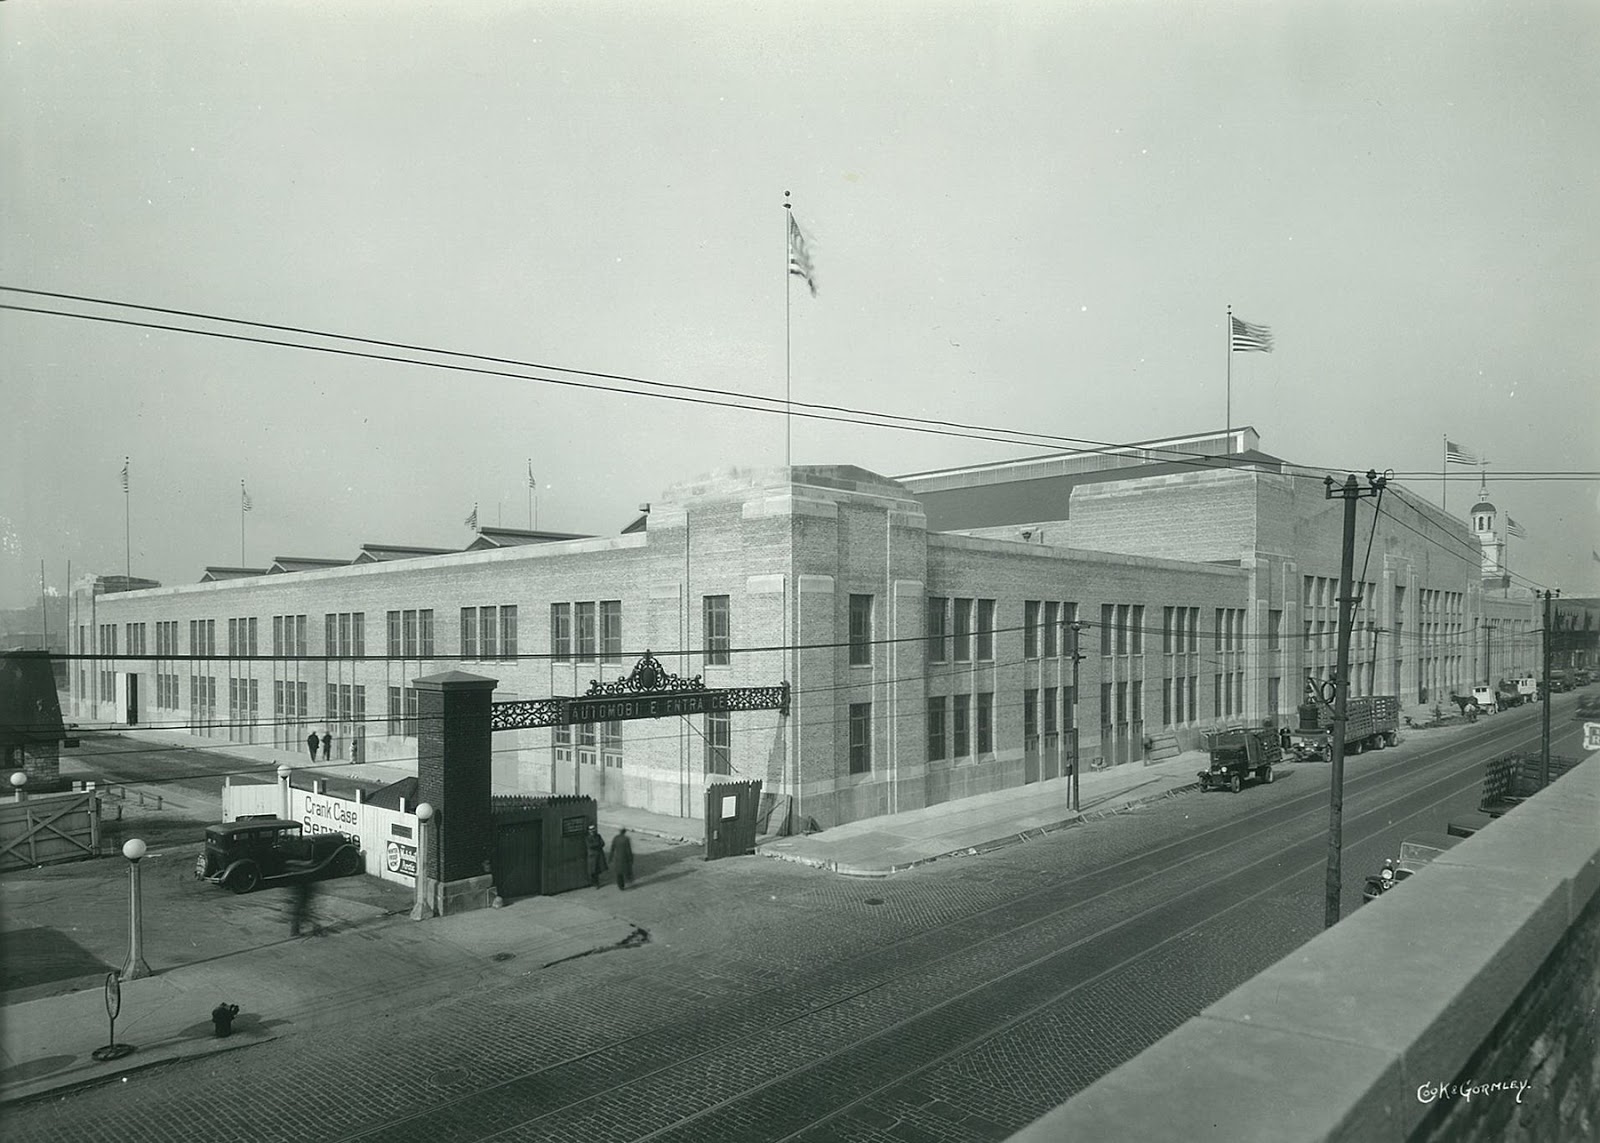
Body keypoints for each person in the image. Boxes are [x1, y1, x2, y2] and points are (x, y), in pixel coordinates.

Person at [608, 827, 634, 891]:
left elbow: (612, 848)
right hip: (625, 857)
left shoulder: (616, 838)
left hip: (618, 858)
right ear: (625, 832)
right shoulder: (626, 839)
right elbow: (628, 850)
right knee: (626, 869)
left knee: (619, 872)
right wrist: (631, 858)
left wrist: (610, 858)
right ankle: (628, 879)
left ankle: (620, 886)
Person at [585, 823, 608, 888]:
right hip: (592, 856)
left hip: (598, 855)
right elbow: (590, 845)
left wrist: (596, 845)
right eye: (591, 830)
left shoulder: (598, 836)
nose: (592, 831)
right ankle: (593, 882)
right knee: (592, 870)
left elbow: (603, 843)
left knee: (597, 870)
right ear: (589, 831)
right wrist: (598, 844)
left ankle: (596, 883)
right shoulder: (587, 838)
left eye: (593, 830)